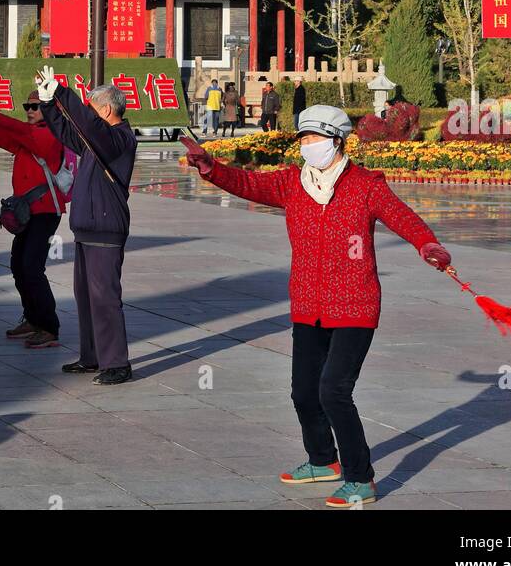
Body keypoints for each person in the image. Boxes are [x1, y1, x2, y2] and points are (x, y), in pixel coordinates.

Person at [180, 104, 450, 508]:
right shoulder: (293, 182)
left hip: (355, 303)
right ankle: (323, 461)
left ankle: (361, 479)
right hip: (309, 303)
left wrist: (427, 243)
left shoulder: (364, 185)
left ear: (337, 142)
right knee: (303, 392)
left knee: (334, 391)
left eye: (314, 139)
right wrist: (211, 168)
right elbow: (248, 183)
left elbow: (403, 217)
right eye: (303, 139)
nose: (307, 146)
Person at [35, 66, 138, 384]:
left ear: (106, 109)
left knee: (104, 296)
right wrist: (50, 103)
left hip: (106, 228)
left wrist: (65, 93)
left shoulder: (119, 138)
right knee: (86, 295)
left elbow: (90, 128)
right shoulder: (99, 141)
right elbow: (69, 132)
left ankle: (117, 362)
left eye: (93, 108)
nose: (90, 115)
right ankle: (93, 356)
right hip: (87, 227)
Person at [0, 89, 78, 349]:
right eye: (27, 106)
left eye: (36, 106)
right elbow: (3, 136)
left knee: (32, 268)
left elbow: (13, 128)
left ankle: (49, 327)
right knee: (18, 266)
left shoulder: (50, 135)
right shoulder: (30, 135)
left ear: (49, 109)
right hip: (28, 212)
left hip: (45, 211)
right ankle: (33, 318)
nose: (30, 110)